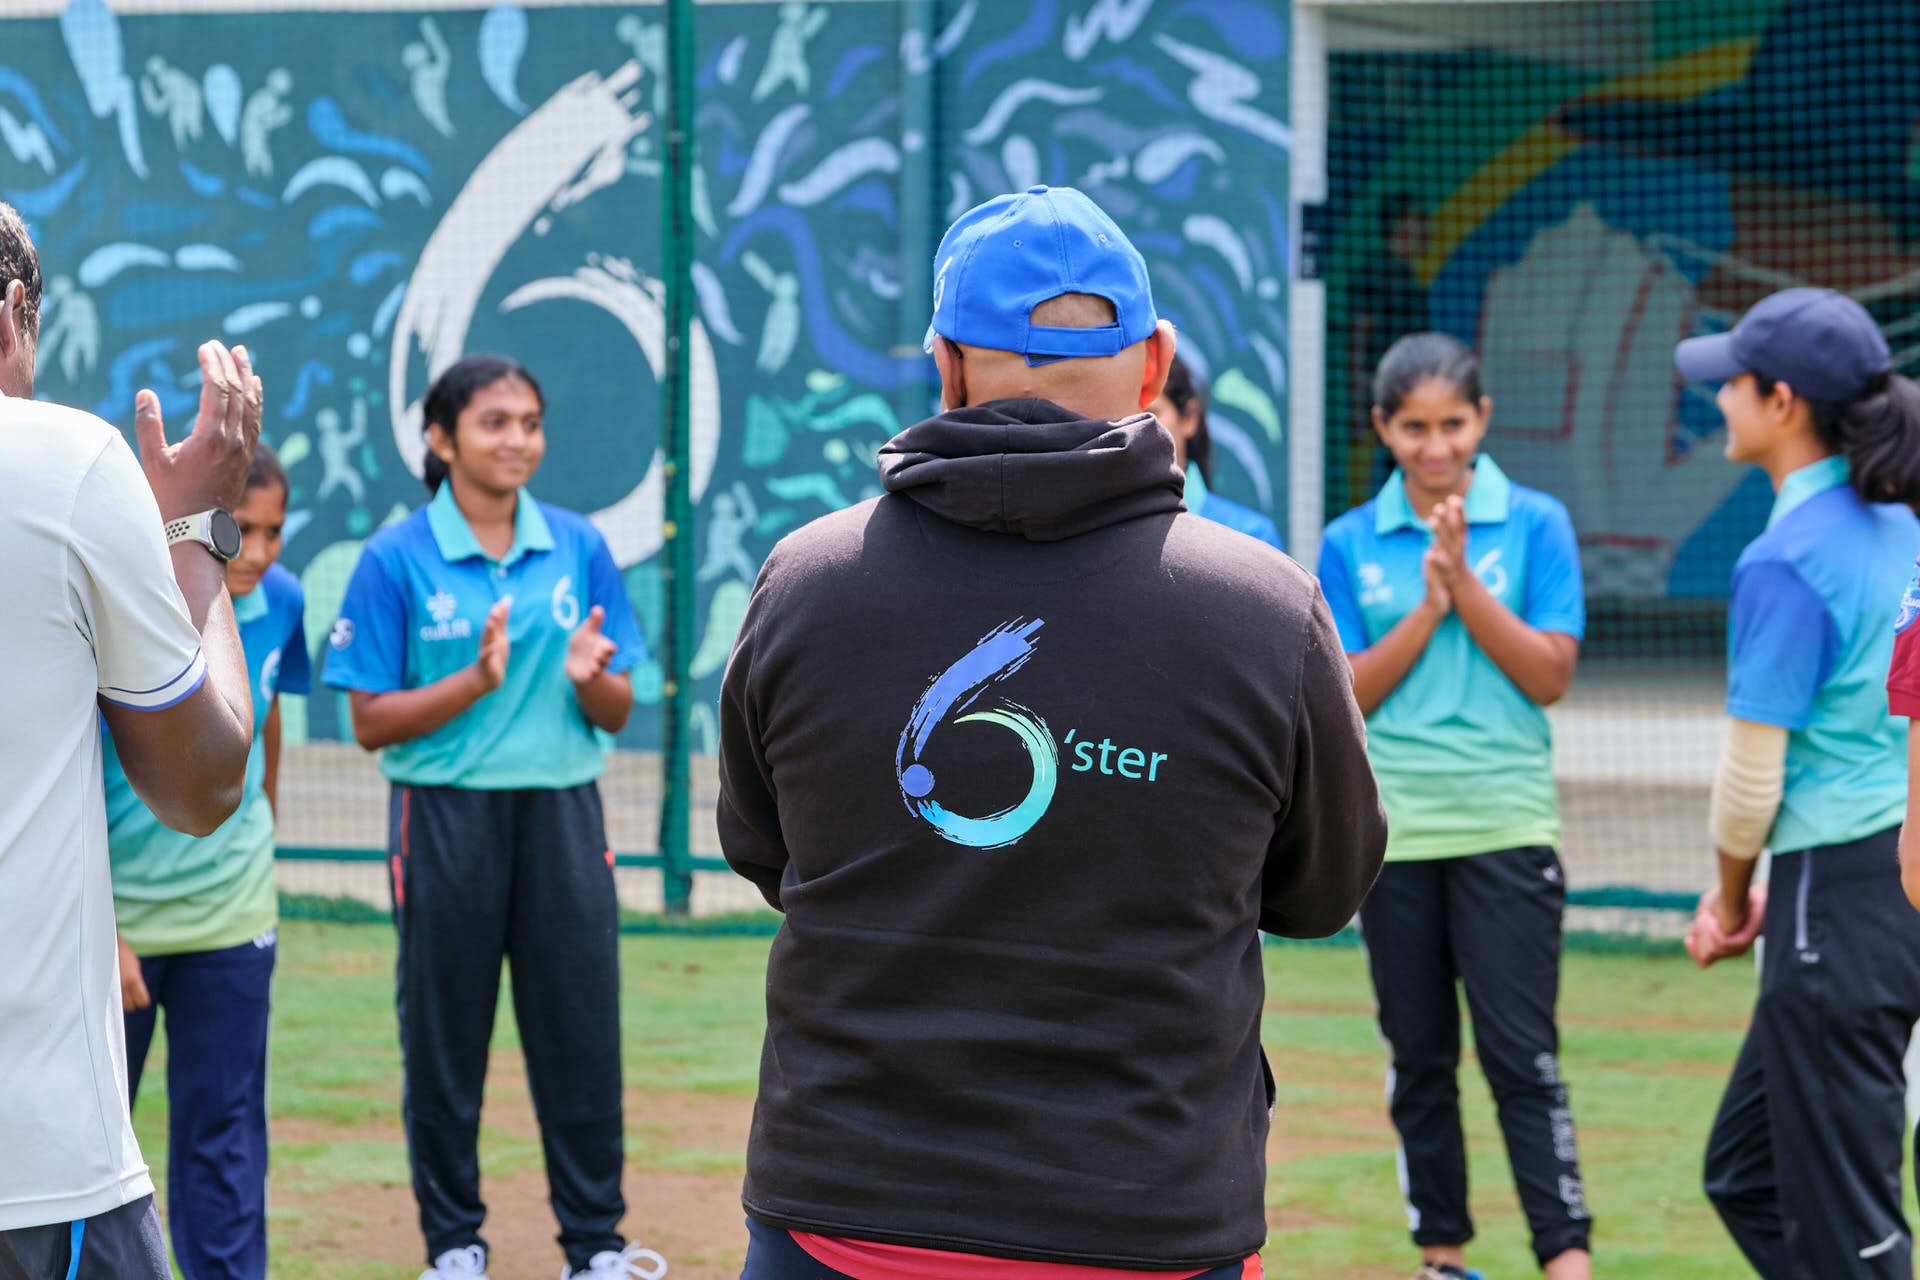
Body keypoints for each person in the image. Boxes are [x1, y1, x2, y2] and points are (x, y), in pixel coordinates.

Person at [717, 185, 1387, 1280]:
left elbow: (765, 849)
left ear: (944, 363)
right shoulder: (1267, 607)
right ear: (1157, 362)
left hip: (841, 1218)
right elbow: (1323, 889)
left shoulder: (805, 581)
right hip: (1150, 1219)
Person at [322, 355, 657, 1280]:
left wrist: (593, 683)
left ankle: (595, 1248)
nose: (518, 441)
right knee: (444, 1039)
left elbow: (621, 706)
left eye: (531, 423)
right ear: (440, 438)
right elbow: (365, 721)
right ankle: (454, 1245)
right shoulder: (395, 558)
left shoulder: (579, 545)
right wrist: (474, 680)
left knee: (581, 1036)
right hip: (443, 821)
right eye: (495, 422)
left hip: (563, 817)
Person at [0, 201, 261, 1278]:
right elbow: (201, 783)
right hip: (32, 1156)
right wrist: (195, 529)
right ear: (18, 310)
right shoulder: (62, 462)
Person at [1315, 332, 1592, 1280]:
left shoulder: (1539, 523)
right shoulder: (1350, 541)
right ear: (1385, 429)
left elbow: (1550, 673)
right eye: (1416, 428)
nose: (1437, 447)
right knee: (1420, 1059)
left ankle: (1566, 1260)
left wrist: (1462, 580)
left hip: (1509, 831)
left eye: (1454, 425)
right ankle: (1442, 1259)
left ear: (1483, 422)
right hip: (1394, 840)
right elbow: (1346, 689)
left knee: (1525, 1060)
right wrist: (1426, 609)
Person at [1677, 288, 1920, 1279]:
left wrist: (1734, 901)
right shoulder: (1904, 525)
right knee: (1748, 1172)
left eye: (1731, 381)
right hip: (1884, 877)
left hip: (1837, 903)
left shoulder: (1784, 557)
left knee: (1857, 1225)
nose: (1718, 397)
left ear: (1781, 402)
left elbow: (1748, 781)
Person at [105, 444, 306, 1280]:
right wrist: (100, 928)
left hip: (232, 925)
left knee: (222, 1147)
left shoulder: (284, 601)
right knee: (87, 1154)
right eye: (235, 531)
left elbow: (264, 743)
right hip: (113, 936)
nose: (253, 551)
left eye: (270, 532)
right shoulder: (117, 600)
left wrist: (253, 848)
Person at [1148, 354, 1283, 549]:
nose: (1133, 428)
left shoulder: (1251, 537)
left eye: (1150, 415)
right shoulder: (1100, 530)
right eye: (1122, 417)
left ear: (1189, 418)